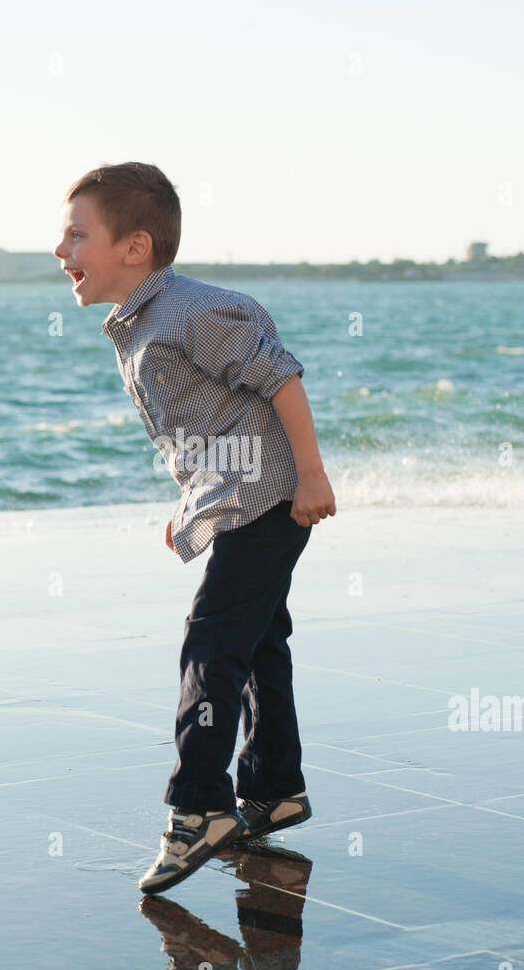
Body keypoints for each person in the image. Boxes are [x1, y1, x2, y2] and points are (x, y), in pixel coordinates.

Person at [54, 161, 336, 895]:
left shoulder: (191, 312)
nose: (61, 251)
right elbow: (209, 426)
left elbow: (280, 378)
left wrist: (311, 475)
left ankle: (198, 808)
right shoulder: (144, 320)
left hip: (272, 497)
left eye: (77, 235)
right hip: (238, 496)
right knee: (258, 640)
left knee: (211, 641)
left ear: (135, 246)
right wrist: (193, 502)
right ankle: (274, 788)